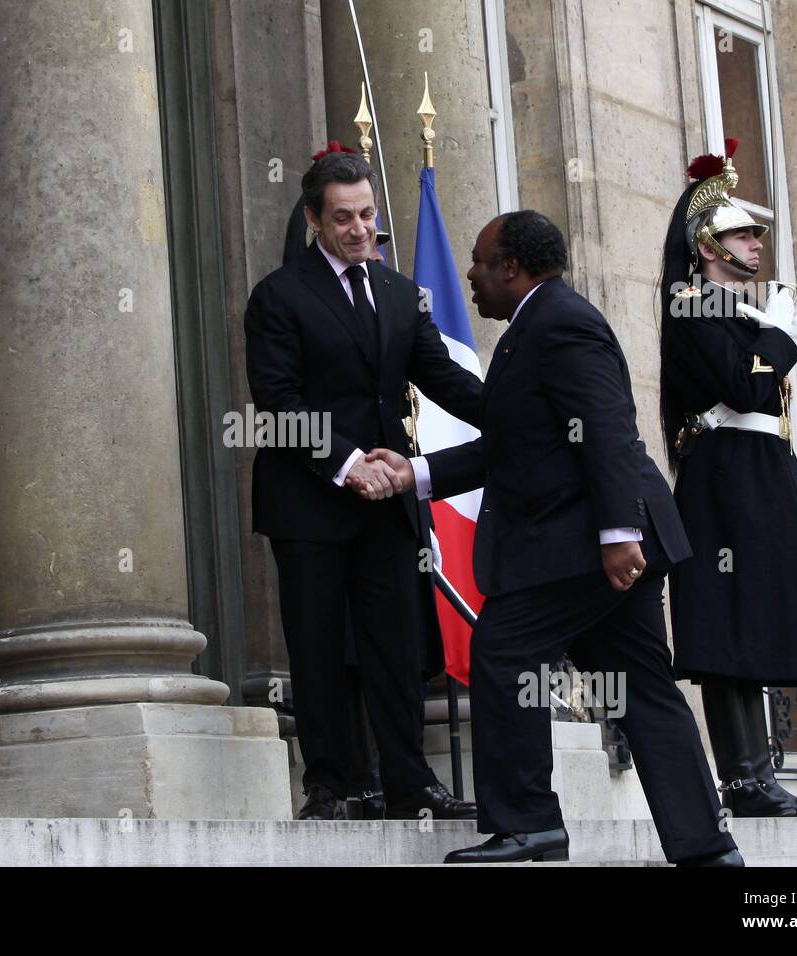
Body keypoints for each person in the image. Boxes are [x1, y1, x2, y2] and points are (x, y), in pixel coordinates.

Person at [368, 211, 742, 865]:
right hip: (595, 540)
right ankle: (706, 847)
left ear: (512, 267)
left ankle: (530, 824)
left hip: (587, 542)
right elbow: (515, 446)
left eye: (481, 261)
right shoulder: (532, 329)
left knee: (504, 650)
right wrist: (417, 473)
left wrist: (619, 532)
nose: (471, 274)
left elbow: (604, 425)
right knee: (643, 689)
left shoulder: (559, 323)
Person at [245, 149, 480, 820]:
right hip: (311, 503)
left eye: (368, 215)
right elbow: (279, 404)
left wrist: (522, 410)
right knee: (318, 649)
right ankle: (329, 784)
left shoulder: (403, 294)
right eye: (343, 218)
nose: (359, 229)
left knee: (397, 647)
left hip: (388, 509)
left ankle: (411, 785)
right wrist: (353, 465)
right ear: (315, 220)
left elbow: (449, 382)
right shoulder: (278, 296)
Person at [657, 141, 797, 817]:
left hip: (760, 476)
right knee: (729, 629)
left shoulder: (740, 315)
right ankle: (745, 780)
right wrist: (781, 338)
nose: (755, 242)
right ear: (707, 244)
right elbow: (746, 387)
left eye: (755, 232)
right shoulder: (693, 304)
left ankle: (760, 773)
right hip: (726, 479)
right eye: (739, 233)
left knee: (756, 619)